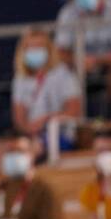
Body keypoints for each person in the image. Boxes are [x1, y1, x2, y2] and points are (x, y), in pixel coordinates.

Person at [11, 26, 82, 157]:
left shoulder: (63, 74)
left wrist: (46, 121)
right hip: (30, 136)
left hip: (60, 134)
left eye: (39, 46)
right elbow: (19, 120)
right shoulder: (20, 79)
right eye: (30, 47)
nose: (34, 50)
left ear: (49, 49)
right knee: (0, 147)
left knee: (33, 148)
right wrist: (29, 129)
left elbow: (74, 111)